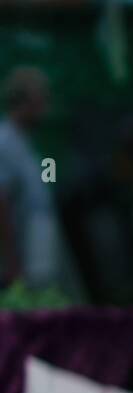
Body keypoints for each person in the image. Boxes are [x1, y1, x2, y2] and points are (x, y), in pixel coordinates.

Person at [0, 67, 57, 289]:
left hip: (34, 258)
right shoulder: (5, 142)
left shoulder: (24, 141)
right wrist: (12, 261)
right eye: (41, 101)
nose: (45, 109)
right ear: (23, 103)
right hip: (19, 260)